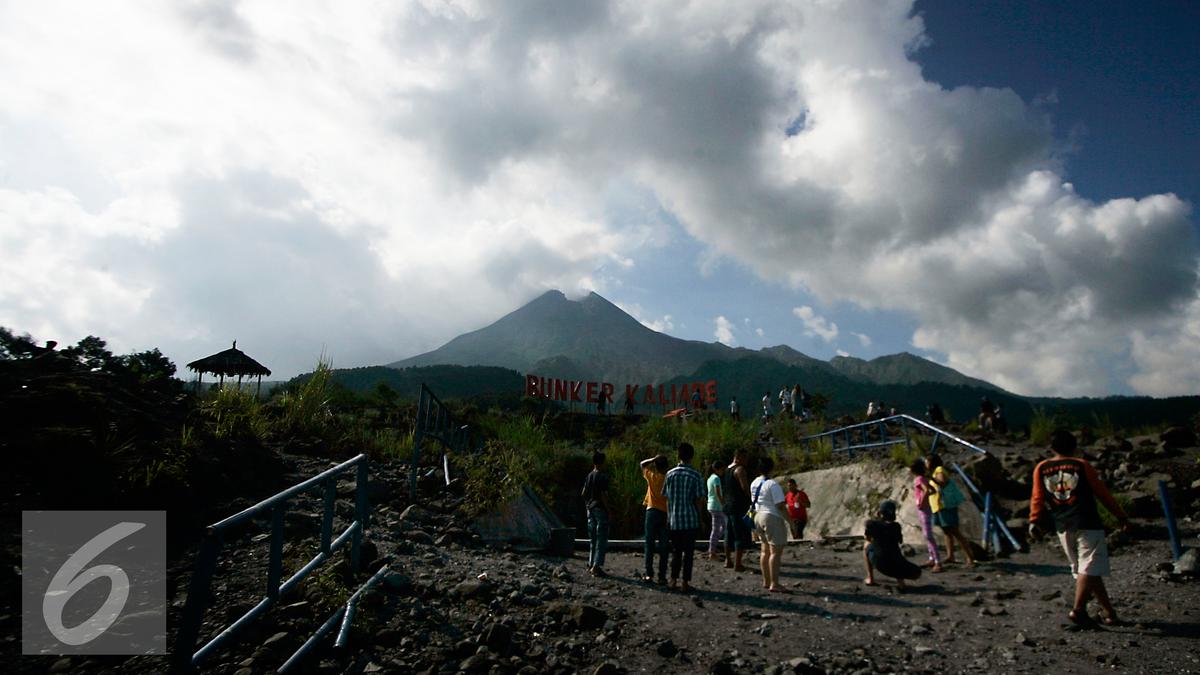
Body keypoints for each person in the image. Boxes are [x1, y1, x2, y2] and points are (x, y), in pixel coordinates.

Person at [1029, 429, 1130, 627]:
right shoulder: (1081, 465)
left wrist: (1034, 520)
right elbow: (1102, 493)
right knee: (1089, 567)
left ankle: (1109, 612)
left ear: (1051, 447)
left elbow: (1037, 496)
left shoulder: (1041, 467)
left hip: (1062, 525)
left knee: (1086, 570)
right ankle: (1079, 611)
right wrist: (1121, 516)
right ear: (1075, 447)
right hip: (1087, 521)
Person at [663, 442, 707, 592]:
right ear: (691, 457)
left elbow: (667, 498)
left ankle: (673, 580)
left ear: (678, 455)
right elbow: (698, 500)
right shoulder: (696, 475)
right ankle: (685, 583)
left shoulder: (670, 474)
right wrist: (701, 519)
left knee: (676, 551)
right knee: (688, 553)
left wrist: (669, 517)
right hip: (690, 519)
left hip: (674, 519)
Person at [863, 500, 921, 589]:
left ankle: (870, 578)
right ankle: (901, 583)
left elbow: (867, 538)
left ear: (880, 513)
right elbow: (899, 542)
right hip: (895, 565)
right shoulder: (897, 527)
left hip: (880, 564)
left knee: (867, 545)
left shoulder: (873, 524)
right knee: (895, 553)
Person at [751, 457, 789, 592]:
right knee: (775, 553)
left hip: (758, 516)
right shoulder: (773, 485)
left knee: (764, 551)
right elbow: (780, 506)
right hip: (771, 517)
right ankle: (775, 583)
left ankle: (766, 581)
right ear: (771, 468)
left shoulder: (754, 483)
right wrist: (790, 522)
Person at [930, 463, 976, 566]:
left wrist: (930, 479)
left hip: (947, 506)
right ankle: (950, 556)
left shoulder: (939, 469)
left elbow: (942, 482)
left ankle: (970, 557)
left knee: (955, 532)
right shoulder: (935, 472)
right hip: (940, 506)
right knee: (947, 532)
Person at [640, 454, 671, 584]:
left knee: (649, 544)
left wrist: (652, 459)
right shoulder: (669, 479)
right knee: (664, 546)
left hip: (651, 511)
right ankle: (662, 576)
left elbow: (642, 464)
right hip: (665, 513)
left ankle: (649, 574)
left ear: (656, 466)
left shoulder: (652, 476)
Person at [580, 451, 611, 577]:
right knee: (601, 538)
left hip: (590, 508)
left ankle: (591, 562)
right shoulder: (602, 477)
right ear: (602, 462)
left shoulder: (589, 476)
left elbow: (583, 493)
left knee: (592, 539)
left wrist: (588, 504)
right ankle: (596, 566)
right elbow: (603, 495)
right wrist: (609, 510)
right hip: (600, 508)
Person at [722, 448, 753, 572]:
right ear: (739, 457)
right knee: (739, 535)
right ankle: (738, 563)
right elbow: (745, 487)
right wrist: (751, 500)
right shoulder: (740, 470)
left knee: (728, 534)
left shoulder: (727, 470)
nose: (746, 461)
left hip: (728, 505)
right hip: (738, 506)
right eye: (745, 458)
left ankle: (728, 560)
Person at [911, 458, 943, 572]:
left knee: (928, 535)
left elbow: (926, 491)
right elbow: (932, 490)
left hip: (923, 509)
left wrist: (922, 502)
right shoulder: (924, 478)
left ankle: (937, 562)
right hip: (926, 508)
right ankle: (932, 558)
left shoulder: (918, 479)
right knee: (927, 534)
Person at [706, 461, 726, 560]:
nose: (723, 471)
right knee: (718, 528)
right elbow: (718, 492)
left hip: (712, 505)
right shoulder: (716, 478)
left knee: (721, 527)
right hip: (717, 506)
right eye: (722, 469)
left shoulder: (710, 478)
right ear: (718, 469)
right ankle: (712, 550)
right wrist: (724, 504)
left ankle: (713, 547)